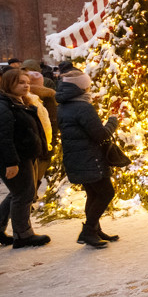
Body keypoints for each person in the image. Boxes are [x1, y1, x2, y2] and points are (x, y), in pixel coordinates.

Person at [0, 68, 51, 247]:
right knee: (23, 194)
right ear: (8, 84)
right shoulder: (0, 105)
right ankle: (23, 235)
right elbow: (0, 137)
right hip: (13, 157)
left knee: (20, 192)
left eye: (27, 82)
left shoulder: (18, 101)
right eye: (21, 82)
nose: (26, 86)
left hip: (23, 155)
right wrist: (11, 162)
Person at [57, 70, 119, 248]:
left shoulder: (64, 105)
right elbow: (100, 135)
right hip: (90, 157)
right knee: (106, 193)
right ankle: (88, 231)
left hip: (76, 157)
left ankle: (95, 230)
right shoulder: (83, 107)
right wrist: (113, 121)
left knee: (93, 193)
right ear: (83, 87)